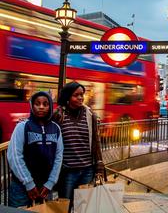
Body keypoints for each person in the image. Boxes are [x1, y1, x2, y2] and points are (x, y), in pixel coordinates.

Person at [53, 82, 104, 211]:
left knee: (83, 207)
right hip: (68, 171)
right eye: (76, 95)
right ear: (68, 97)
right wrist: (25, 121)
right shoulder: (59, 115)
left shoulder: (89, 114)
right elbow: (43, 122)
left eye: (82, 95)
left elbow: (96, 141)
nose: (81, 98)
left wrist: (99, 165)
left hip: (87, 170)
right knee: (65, 206)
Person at [7, 91, 63, 208]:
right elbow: (15, 156)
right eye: (37, 104)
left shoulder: (55, 128)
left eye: (45, 104)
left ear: (50, 106)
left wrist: (50, 183)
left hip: (45, 187)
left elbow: (58, 156)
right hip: (21, 188)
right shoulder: (23, 127)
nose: (41, 107)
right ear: (32, 106)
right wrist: (28, 183)